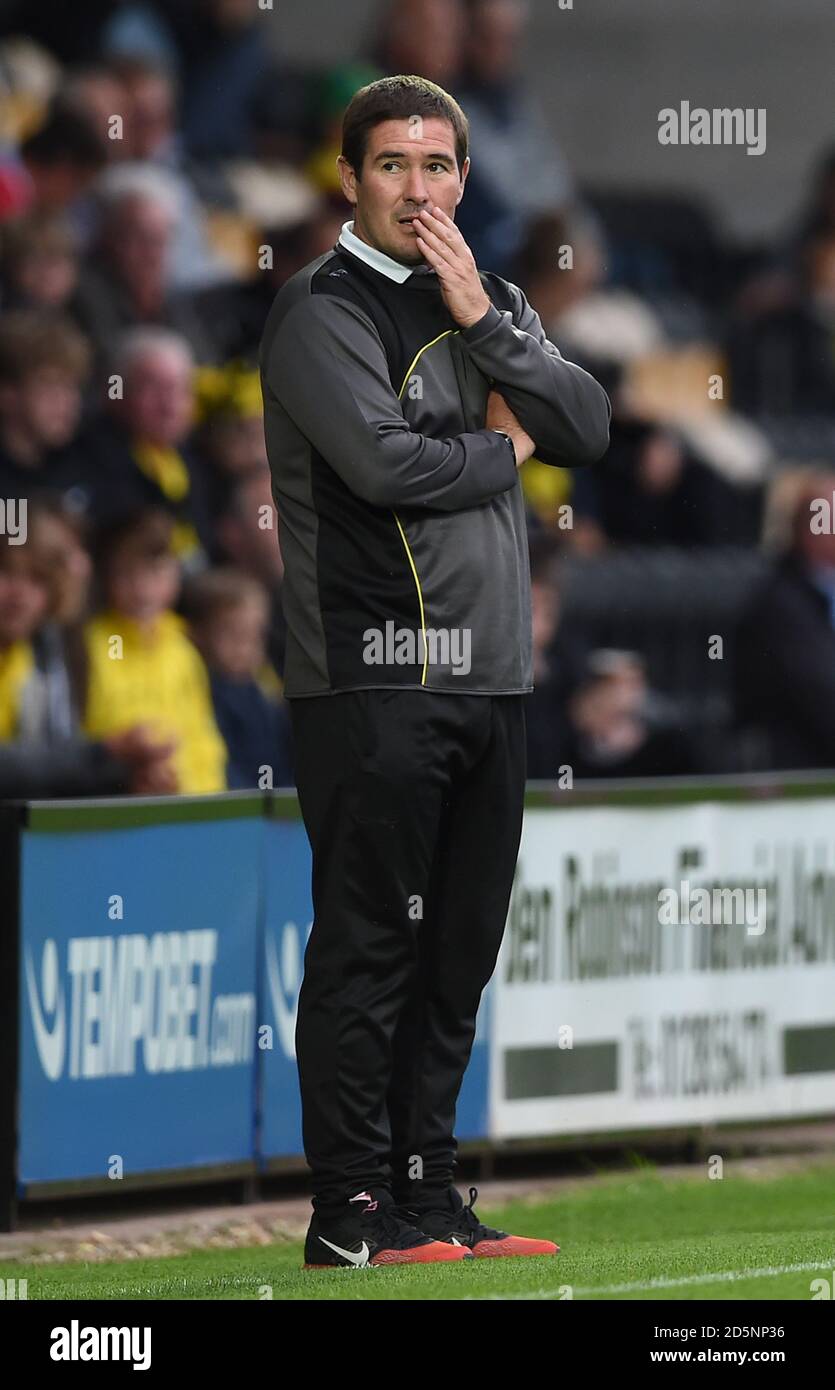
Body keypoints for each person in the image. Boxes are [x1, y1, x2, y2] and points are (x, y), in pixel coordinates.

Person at [260, 74, 610, 1269]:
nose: (420, 187)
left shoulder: (492, 300)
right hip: (375, 672)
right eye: (395, 165)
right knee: (370, 948)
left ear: (466, 176)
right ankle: (348, 1214)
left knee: (456, 951)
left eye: (440, 164)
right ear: (349, 179)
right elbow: (382, 466)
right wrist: (503, 450)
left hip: (491, 677)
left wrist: (487, 321)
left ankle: (428, 1197)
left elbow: (588, 426)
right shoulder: (321, 309)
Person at [83, 508, 227, 794]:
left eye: (154, 570)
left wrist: (199, 796)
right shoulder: (89, 645)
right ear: (105, 577)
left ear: (175, 572)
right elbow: (88, 737)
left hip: (187, 808)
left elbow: (203, 739)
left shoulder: (184, 649)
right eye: (126, 573)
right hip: (115, 803)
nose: (141, 588)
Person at [186, 567, 292, 789]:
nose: (245, 647)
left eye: (254, 635)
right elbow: (221, 762)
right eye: (232, 633)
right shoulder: (205, 695)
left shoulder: (263, 693)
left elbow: (284, 755)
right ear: (200, 634)